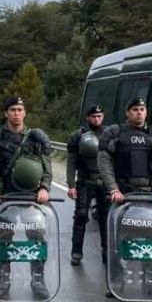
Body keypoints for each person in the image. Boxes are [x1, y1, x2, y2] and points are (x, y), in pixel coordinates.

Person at [98, 97, 152, 297]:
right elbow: (105, 164)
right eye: (134, 109)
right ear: (127, 112)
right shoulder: (115, 134)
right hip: (124, 196)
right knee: (118, 240)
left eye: (142, 109)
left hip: (150, 196)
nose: (139, 113)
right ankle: (117, 282)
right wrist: (114, 189)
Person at [0, 96, 54, 299]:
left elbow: (46, 167)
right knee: (3, 239)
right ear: (6, 113)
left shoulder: (35, 138)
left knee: (37, 238)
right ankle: (3, 280)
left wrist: (45, 188)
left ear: (25, 113)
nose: (16, 113)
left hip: (31, 199)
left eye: (20, 109)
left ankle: (38, 279)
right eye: (12, 109)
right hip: (5, 198)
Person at [66, 105, 108, 265]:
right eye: (93, 116)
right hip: (85, 181)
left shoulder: (109, 135)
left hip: (104, 182)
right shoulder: (78, 136)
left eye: (99, 116)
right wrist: (71, 185)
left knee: (106, 218)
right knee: (81, 214)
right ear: (87, 118)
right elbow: (71, 162)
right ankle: (76, 251)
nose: (96, 119)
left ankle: (106, 251)